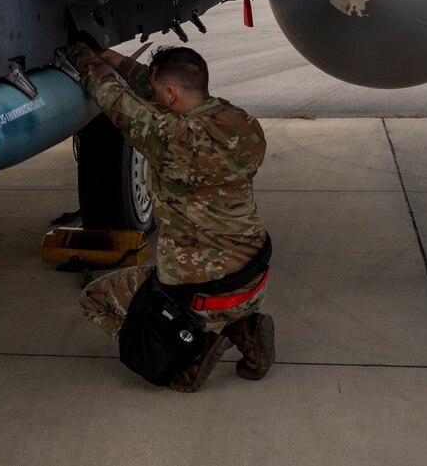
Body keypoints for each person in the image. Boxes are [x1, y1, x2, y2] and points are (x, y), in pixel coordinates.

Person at [68, 43, 274, 391]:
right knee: (224, 293)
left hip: (199, 296)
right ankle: (244, 328)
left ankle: (192, 350)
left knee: (94, 299)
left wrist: (78, 54)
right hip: (254, 281)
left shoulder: (170, 139)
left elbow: (115, 99)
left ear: (171, 93)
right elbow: (151, 90)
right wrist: (107, 53)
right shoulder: (244, 124)